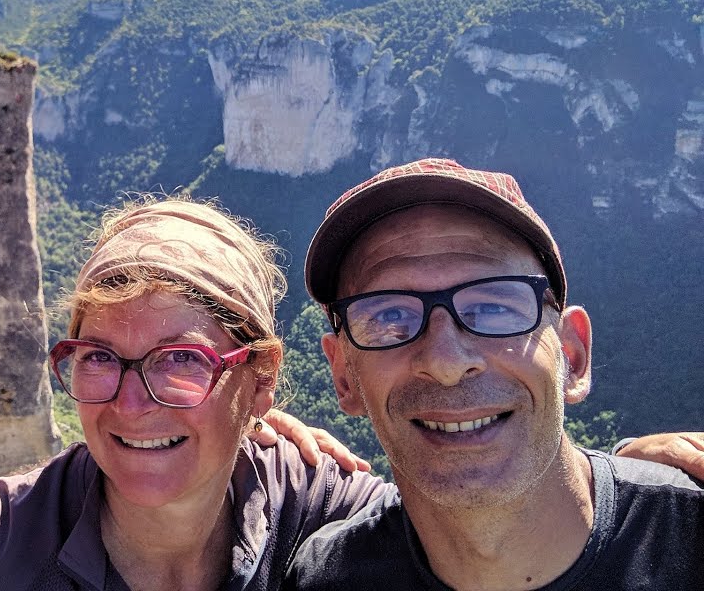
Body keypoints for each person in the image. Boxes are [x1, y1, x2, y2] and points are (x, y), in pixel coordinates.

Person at [286, 158, 704, 589]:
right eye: (390, 315)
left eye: (493, 307)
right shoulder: (326, 578)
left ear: (571, 356)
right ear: (344, 377)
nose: (446, 362)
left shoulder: (690, 538)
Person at [0, 197, 390, 590]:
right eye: (99, 358)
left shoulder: (317, 506)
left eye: (181, 358)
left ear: (261, 378)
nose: (128, 405)